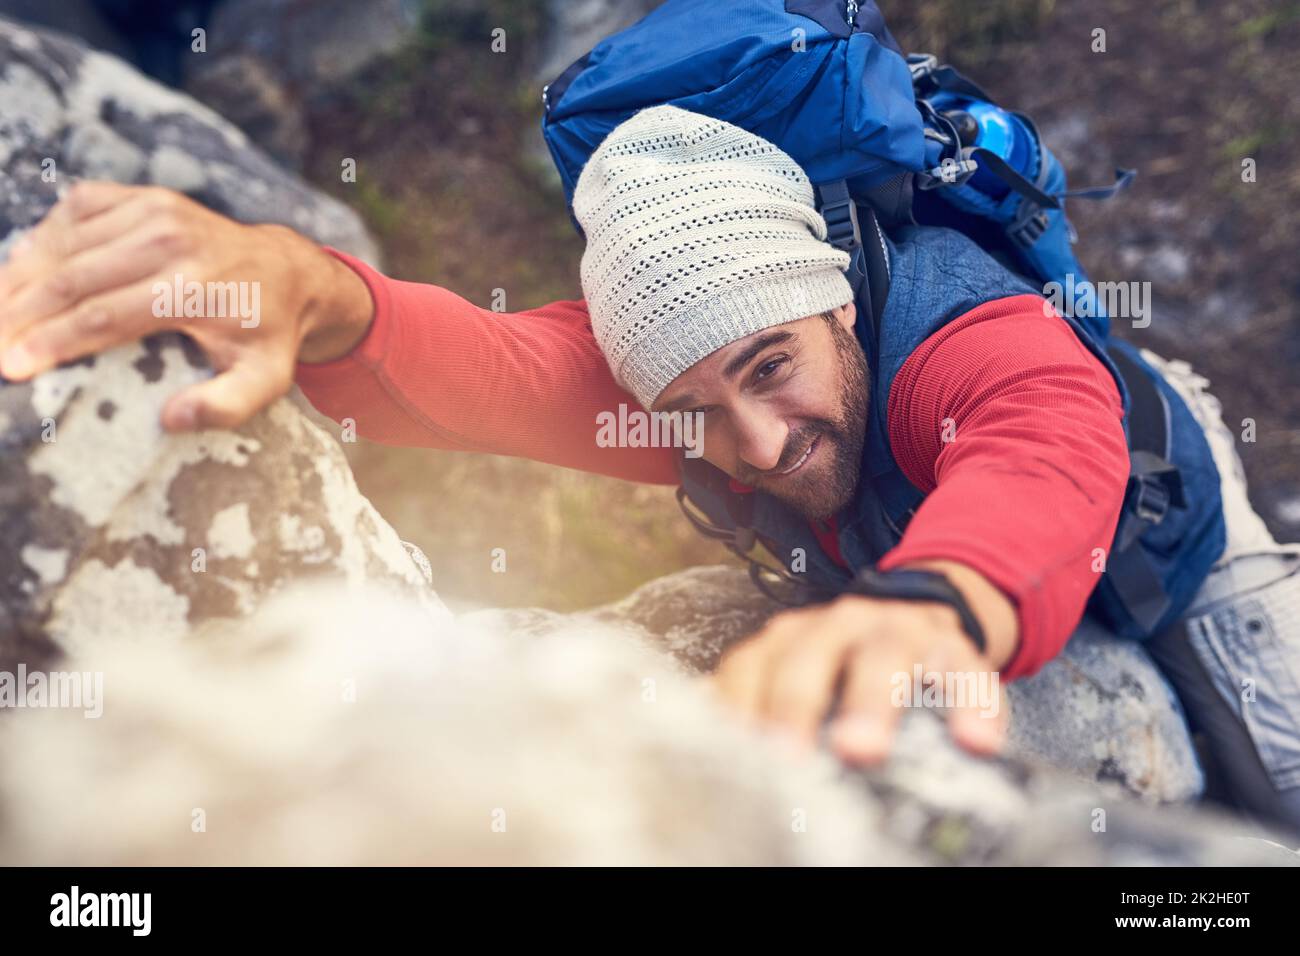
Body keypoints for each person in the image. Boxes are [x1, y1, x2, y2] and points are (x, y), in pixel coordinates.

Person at [1, 105, 1297, 833]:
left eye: (772, 366)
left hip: (1158, 536)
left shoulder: (978, 339)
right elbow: (467, 364)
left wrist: (935, 601)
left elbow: (1044, 449)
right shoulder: (679, 385)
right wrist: (304, 282)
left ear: (838, 301)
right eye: (689, 410)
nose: (753, 445)